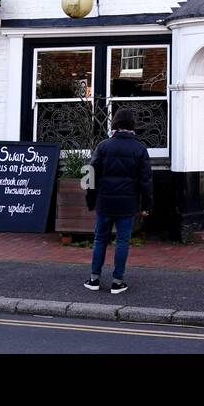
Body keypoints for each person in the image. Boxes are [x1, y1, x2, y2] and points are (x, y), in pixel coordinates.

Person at [84, 108, 153, 294]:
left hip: (104, 203)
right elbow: (145, 180)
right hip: (127, 204)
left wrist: (90, 200)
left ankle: (94, 279)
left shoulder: (103, 146)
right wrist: (147, 205)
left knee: (100, 239)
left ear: (114, 124)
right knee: (122, 241)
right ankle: (117, 281)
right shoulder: (140, 149)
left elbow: (90, 175)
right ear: (132, 126)